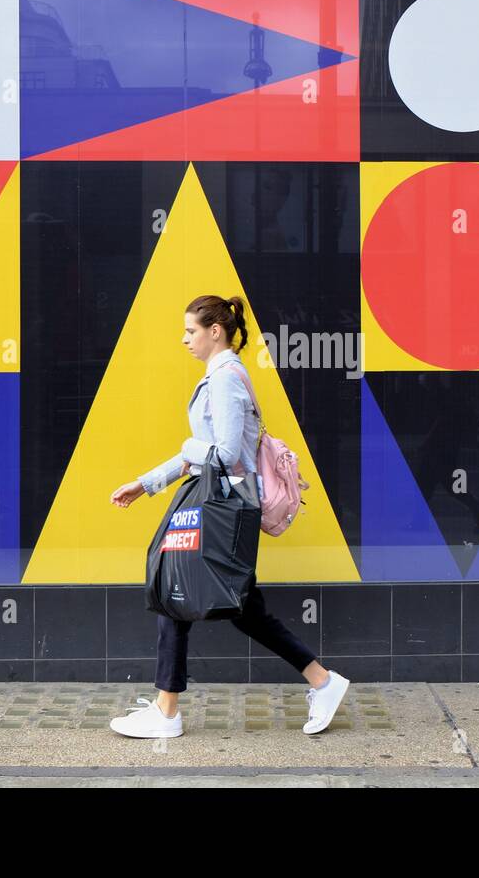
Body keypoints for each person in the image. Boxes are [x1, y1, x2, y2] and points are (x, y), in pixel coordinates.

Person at [108, 294, 350, 738]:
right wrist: (145, 484)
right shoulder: (219, 377)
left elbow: (222, 454)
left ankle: (169, 713)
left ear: (214, 331)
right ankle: (320, 681)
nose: (184, 339)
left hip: (223, 508)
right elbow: (203, 457)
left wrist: (186, 448)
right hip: (222, 505)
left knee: (189, 594)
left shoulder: (224, 380)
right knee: (212, 602)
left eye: (190, 331)